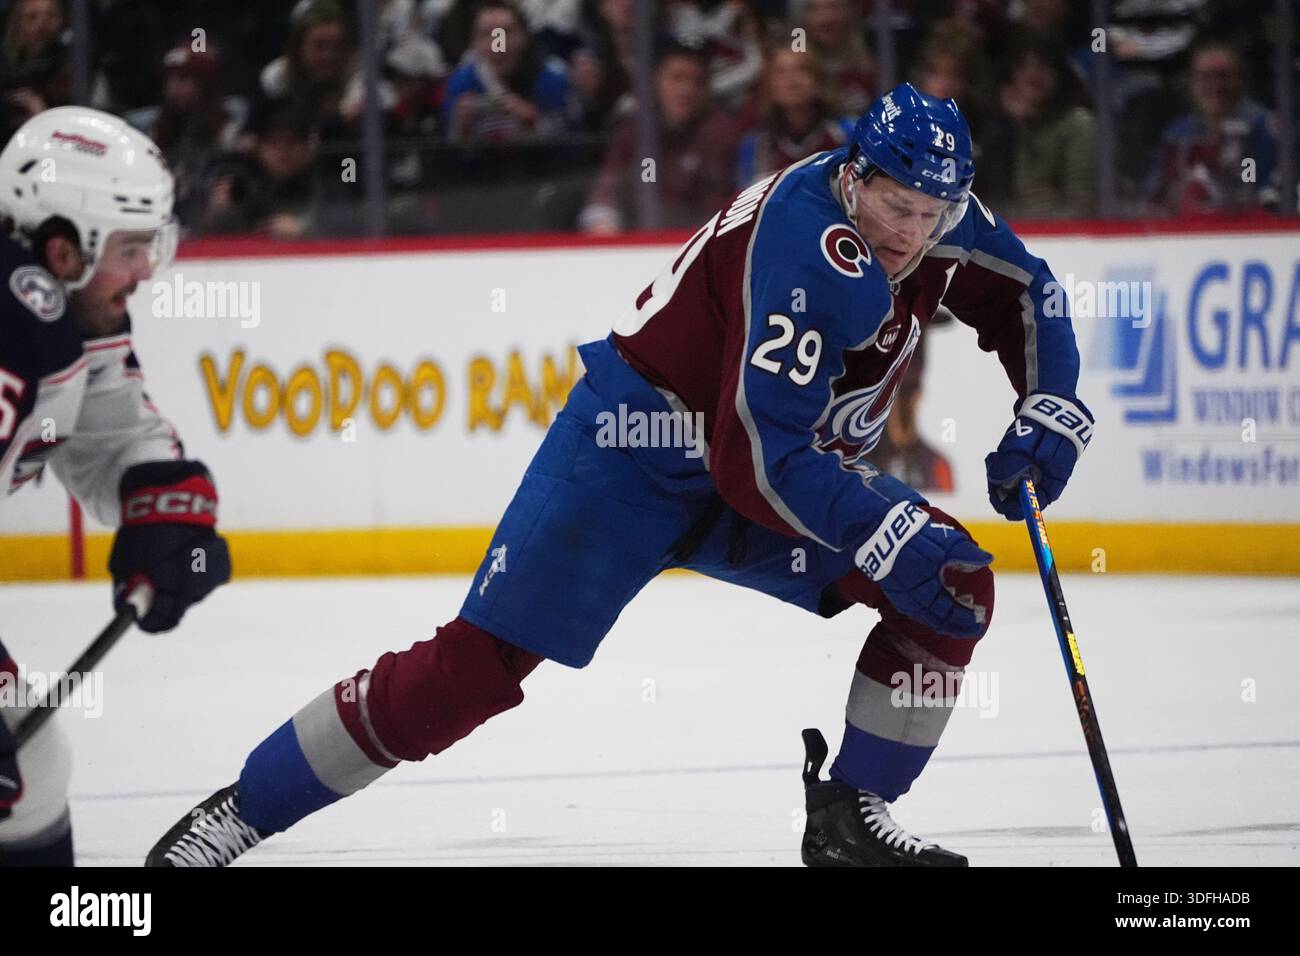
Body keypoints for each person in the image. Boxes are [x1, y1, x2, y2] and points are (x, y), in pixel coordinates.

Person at [146, 83, 1092, 868]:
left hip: (764, 468)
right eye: (895, 208)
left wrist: (1052, 407)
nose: (911, 235)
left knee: (950, 585)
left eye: (932, 216)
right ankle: (238, 813)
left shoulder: (938, 215)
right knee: (470, 674)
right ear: (855, 177)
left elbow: (1029, 294)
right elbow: (755, 457)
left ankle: (853, 817)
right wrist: (882, 524)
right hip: (632, 453)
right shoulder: (808, 247)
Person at [0, 107, 232, 865]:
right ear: (62, 249)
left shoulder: (57, 310)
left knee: (30, 771)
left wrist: (161, 503)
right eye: (132, 249)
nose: (147, 272)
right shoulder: (16, 320)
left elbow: (109, 426)